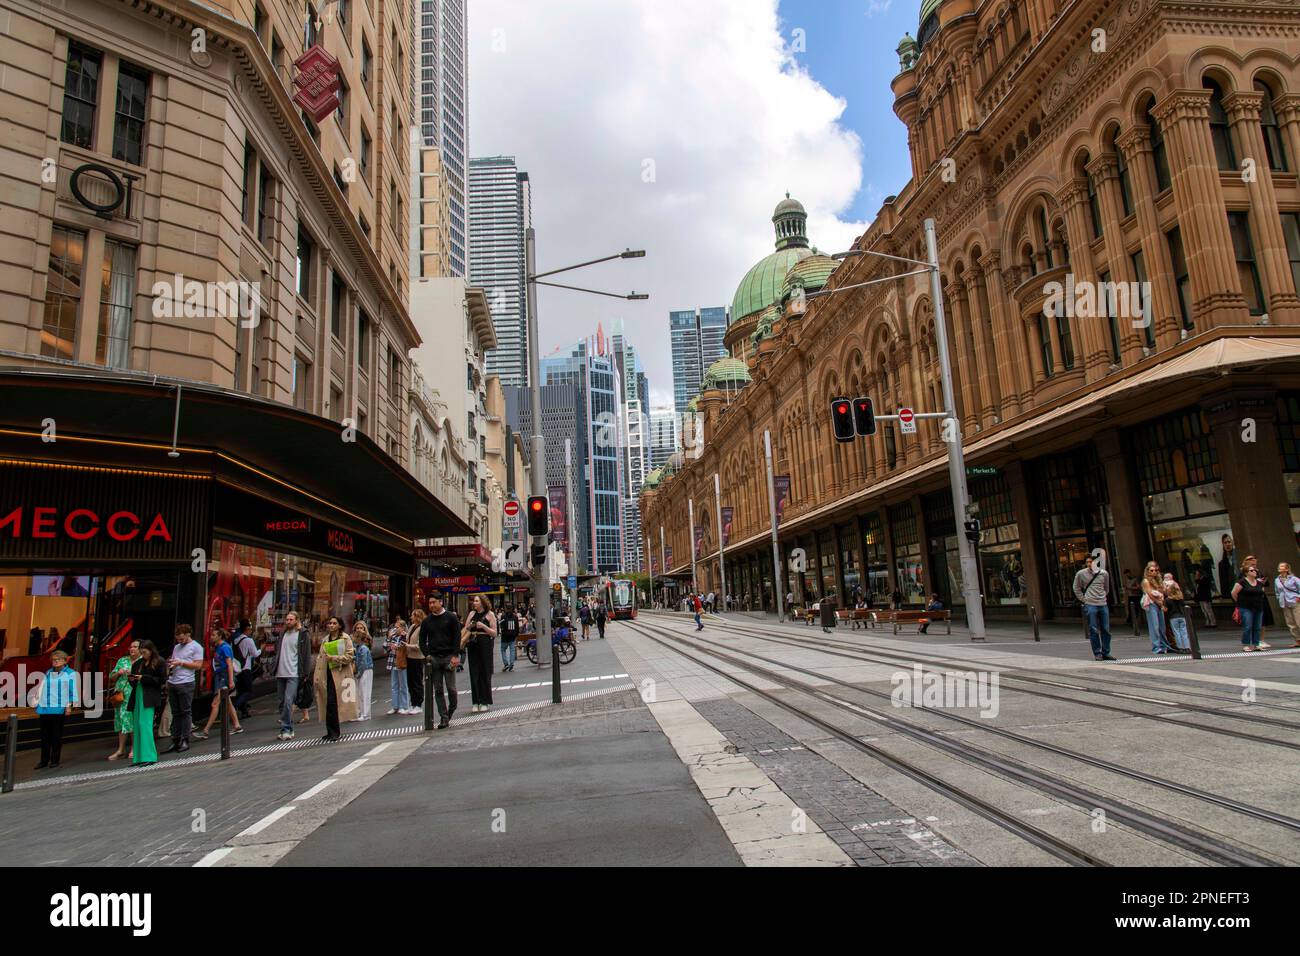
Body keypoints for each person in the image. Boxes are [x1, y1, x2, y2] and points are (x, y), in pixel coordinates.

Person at [419, 592, 461, 729]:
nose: (431, 605)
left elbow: (457, 637)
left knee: (451, 688)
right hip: (434, 658)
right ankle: (444, 718)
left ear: (441, 602)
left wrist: (455, 655)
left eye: (434, 602)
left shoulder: (451, 618)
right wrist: (427, 655)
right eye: (430, 603)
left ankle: (451, 709)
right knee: (438, 690)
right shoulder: (426, 621)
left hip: (449, 656)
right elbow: (422, 641)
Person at [193, 627, 244, 740]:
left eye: (214, 635)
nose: (211, 637)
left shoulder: (224, 648)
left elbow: (229, 664)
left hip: (224, 677)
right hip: (220, 677)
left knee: (215, 703)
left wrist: (230, 680)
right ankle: (237, 725)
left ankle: (206, 731)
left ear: (219, 636)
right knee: (227, 701)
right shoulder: (218, 647)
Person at [33, 649, 78, 770]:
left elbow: (72, 691)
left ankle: (54, 759)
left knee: (56, 735)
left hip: (59, 707)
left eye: (58, 659)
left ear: (64, 661)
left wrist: (69, 705)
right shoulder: (48, 672)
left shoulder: (70, 673)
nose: (55, 661)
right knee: (44, 735)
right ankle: (43, 760)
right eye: (53, 660)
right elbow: (43, 688)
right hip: (45, 707)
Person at [162, 624, 204, 753]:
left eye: (182, 639)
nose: (180, 642)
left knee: (185, 711)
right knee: (176, 712)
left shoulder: (196, 647)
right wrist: (172, 664)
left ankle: (185, 740)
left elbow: (198, 665)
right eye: (178, 639)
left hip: (186, 682)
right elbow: (174, 660)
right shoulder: (176, 647)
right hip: (173, 681)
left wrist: (181, 662)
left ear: (188, 634)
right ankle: (176, 740)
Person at [314, 616, 356, 741]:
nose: (331, 625)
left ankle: (335, 731)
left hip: (340, 674)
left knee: (333, 702)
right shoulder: (325, 640)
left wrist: (335, 658)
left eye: (334, 623)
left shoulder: (345, 638)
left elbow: (349, 656)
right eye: (329, 623)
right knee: (327, 702)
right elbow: (321, 657)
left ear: (339, 626)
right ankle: (329, 730)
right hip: (326, 674)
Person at [273, 611, 311, 741]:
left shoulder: (302, 634)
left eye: (291, 620)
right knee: (282, 702)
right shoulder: (282, 633)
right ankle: (289, 727)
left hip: (294, 673)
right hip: (280, 672)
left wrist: (306, 673)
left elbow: (306, 654)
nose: (288, 622)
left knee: (289, 701)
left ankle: (286, 729)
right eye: (287, 619)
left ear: (297, 620)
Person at [128, 640, 166, 766]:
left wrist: (143, 678)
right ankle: (138, 757)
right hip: (138, 694)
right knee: (138, 725)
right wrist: (132, 678)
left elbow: (161, 680)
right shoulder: (138, 663)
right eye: (141, 652)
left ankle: (149, 756)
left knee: (145, 724)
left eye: (144, 652)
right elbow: (132, 682)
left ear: (150, 650)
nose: (143, 655)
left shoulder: (159, 661)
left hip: (149, 696)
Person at [1072, 554, 1114, 661]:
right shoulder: (1081, 574)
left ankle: (1106, 652)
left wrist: (1102, 597)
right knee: (1093, 629)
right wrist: (1084, 599)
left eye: (1092, 562)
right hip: (1090, 604)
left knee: (1106, 629)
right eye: (1088, 562)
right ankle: (1097, 653)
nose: (1090, 564)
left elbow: (1106, 588)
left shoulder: (1104, 573)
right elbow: (1076, 588)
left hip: (1102, 604)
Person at [462, 594, 497, 713]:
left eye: (477, 601)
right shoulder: (471, 614)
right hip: (473, 644)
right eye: (474, 601)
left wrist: (483, 626)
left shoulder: (490, 614)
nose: (474, 603)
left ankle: (485, 701)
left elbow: (494, 633)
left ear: (482, 602)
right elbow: (466, 628)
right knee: (474, 673)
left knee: (485, 672)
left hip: (485, 645)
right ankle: (475, 701)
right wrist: (471, 626)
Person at [107, 639, 140, 760]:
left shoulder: (142, 661)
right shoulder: (123, 660)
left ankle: (134, 748)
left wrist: (133, 673)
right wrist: (119, 672)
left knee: (131, 721)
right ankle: (120, 749)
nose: (132, 649)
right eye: (131, 647)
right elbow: (112, 677)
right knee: (120, 721)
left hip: (133, 695)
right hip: (120, 696)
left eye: (135, 647)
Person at [1233, 556, 1269, 652]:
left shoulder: (1259, 583)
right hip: (1245, 607)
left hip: (1258, 607)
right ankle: (1246, 644)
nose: (1254, 571)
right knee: (1248, 626)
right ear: (1246, 573)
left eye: (1255, 570)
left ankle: (1256, 644)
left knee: (1257, 626)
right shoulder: (1242, 582)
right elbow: (1234, 593)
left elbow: (1262, 593)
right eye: (1252, 570)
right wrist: (1239, 602)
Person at [385, 616, 414, 715]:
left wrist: (397, 647)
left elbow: (406, 648)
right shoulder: (392, 637)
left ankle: (404, 706)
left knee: (403, 685)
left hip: (402, 663)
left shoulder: (405, 636)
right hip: (393, 662)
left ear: (402, 627)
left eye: (397, 627)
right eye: (394, 627)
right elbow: (385, 647)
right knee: (394, 685)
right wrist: (389, 639)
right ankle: (395, 706)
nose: (395, 629)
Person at [1140, 561, 1172, 654]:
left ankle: (1164, 645)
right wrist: (1159, 603)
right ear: (1148, 571)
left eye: (1156, 570)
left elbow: (1163, 592)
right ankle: (1156, 647)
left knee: (1162, 626)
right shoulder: (1146, 581)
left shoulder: (1158, 580)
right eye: (1152, 570)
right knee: (1154, 626)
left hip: (1159, 603)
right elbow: (1150, 594)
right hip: (1152, 604)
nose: (1154, 572)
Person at [231, 620, 259, 719]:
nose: (251, 631)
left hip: (237, 668)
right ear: (247, 629)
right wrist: (262, 649)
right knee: (248, 690)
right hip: (246, 668)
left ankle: (244, 711)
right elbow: (255, 653)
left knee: (241, 690)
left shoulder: (235, 639)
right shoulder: (248, 640)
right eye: (250, 628)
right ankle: (233, 707)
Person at [1162, 573, 1191, 653]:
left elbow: (1165, 609)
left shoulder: (1167, 600)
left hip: (1173, 617)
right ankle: (1187, 647)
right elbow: (1184, 606)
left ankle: (1180, 648)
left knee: (1177, 633)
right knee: (1184, 632)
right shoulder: (1180, 599)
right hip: (1182, 616)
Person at [1274, 562, 1300, 648]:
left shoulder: (1294, 579)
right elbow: (1277, 591)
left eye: (1282, 566)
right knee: (1291, 623)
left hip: (1295, 602)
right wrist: (1279, 598)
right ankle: (1297, 640)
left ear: (1287, 569)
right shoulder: (1277, 580)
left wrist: (1299, 597)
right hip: (1284, 603)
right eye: (1279, 566)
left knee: (1298, 621)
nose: (1279, 567)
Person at [352, 621, 374, 720]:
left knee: (365, 692)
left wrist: (359, 673)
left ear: (358, 638)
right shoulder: (359, 648)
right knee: (360, 692)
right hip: (363, 671)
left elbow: (363, 663)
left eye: (355, 638)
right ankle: (362, 712)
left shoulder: (363, 649)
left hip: (366, 671)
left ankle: (366, 714)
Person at [405, 609, 426, 711]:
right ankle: (413, 702)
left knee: (417, 680)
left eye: (412, 616)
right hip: (409, 657)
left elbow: (419, 645)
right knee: (410, 681)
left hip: (417, 658)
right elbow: (407, 638)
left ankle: (418, 703)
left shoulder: (422, 628)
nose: (411, 617)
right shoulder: (412, 627)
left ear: (417, 617)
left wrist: (407, 645)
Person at [499, 604, 520, 672]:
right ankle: (511, 665)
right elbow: (517, 627)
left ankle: (506, 664)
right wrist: (516, 635)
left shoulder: (503, 616)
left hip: (505, 637)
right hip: (512, 636)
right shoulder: (515, 616)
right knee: (512, 651)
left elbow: (501, 626)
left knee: (503, 650)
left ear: (506, 608)